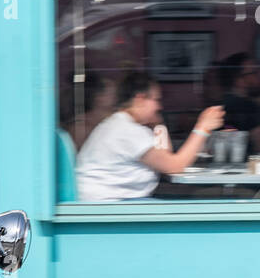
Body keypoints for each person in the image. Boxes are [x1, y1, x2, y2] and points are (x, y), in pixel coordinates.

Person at [76, 71, 224, 202]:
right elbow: (174, 166)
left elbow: (164, 155)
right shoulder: (127, 130)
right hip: (108, 207)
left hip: (108, 203)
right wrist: (202, 128)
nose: (160, 107)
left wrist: (158, 124)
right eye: (156, 100)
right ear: (140, 99)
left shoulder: (121, 124)